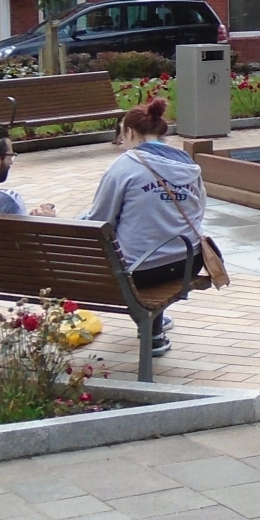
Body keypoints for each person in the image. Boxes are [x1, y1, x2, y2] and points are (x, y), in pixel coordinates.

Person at [85, 97, 208, 357]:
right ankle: (155, 322)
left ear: (129, 132)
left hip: (141, 270)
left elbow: (100, 220)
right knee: (155, 235)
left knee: (115, 241)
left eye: (122, 136)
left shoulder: (125, 166)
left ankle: (150, 325)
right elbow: (199, 211)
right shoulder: (187, 163)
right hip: (188, 261)